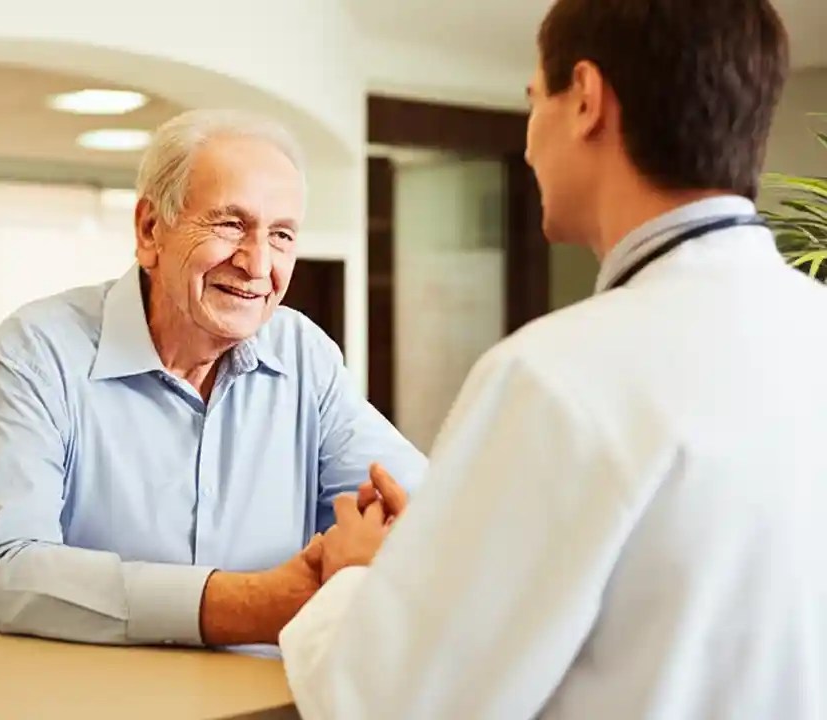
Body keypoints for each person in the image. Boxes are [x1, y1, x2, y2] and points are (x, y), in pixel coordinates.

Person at [280, 0, 826, 717]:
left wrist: (356, 577)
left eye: (534, 102)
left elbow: (389, 701)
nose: (530, 142)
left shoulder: (556, 376)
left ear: (587, 101)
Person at [0, 109, 426, 649]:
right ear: (151, 230)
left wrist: (378, 546)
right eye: (230, 225)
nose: (258, 263)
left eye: (282, 235)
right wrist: (248, 604)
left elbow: (420, 509)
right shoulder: (39, 351)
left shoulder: (303, 353)